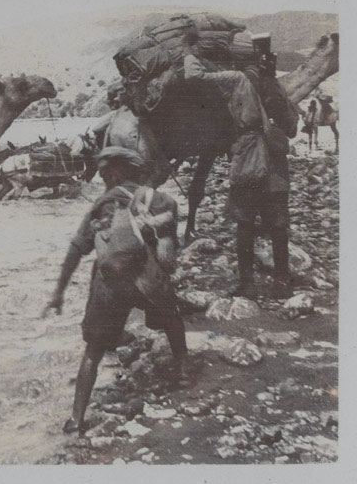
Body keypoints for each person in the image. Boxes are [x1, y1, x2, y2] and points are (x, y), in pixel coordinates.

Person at [43, 146, 189, 435]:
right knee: (172, 317)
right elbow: (169, 252)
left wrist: (58, 293)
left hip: (111, 284)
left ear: (113, 172)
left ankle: (77, 418)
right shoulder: (160, 199)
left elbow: (76, 248)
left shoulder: (103, 204)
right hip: (148, 281)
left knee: (94, 350)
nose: (101, 176)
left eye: (103, 171)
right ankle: (184, 372)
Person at [181, 39, 293, 298]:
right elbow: (291, 125)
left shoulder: (234, 78)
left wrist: (189, 52)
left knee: (244, 222)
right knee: (278, 224)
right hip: (275, 164)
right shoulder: (275, 86)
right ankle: (282, 282)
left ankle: (247, 285)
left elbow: (193, 76)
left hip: (247, 159)